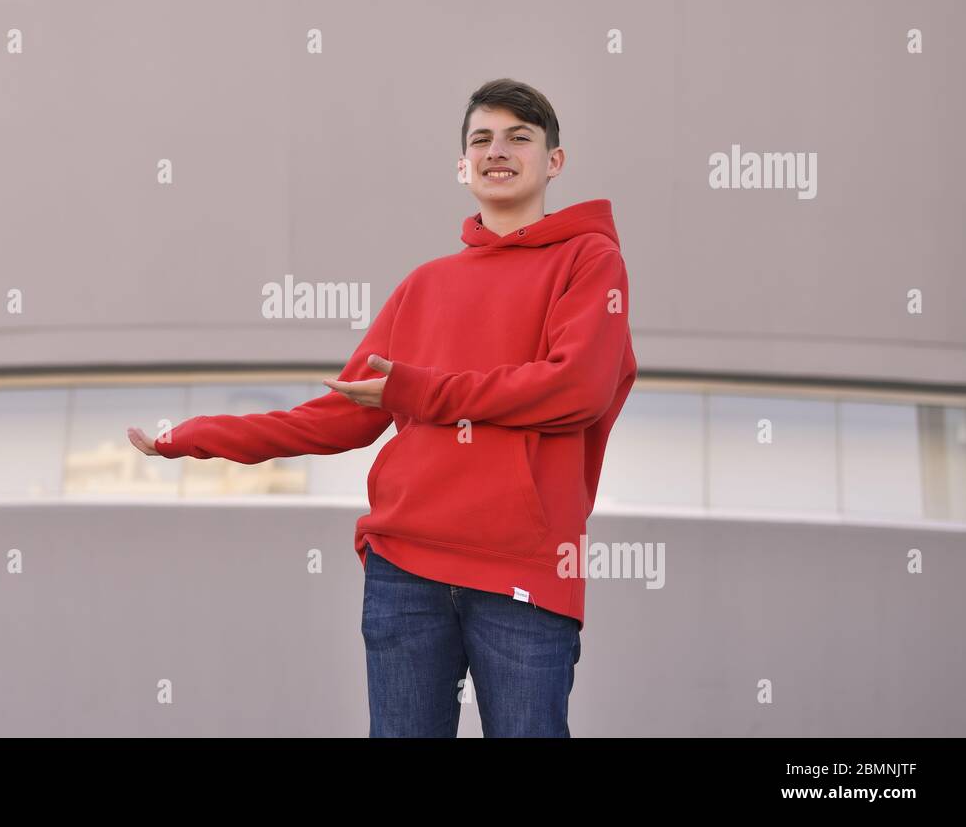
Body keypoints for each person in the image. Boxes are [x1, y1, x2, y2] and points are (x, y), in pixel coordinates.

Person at [128, 78, 637, 737]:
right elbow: (340, 414)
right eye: (480, 139)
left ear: (554, 161)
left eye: (520, 137)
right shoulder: (424, 285)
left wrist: (422, 390)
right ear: (463, 165)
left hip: (525, 572)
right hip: (407, 569)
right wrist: (193, 435)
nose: (497, 150)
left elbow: (576, 389)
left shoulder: (590, 261)